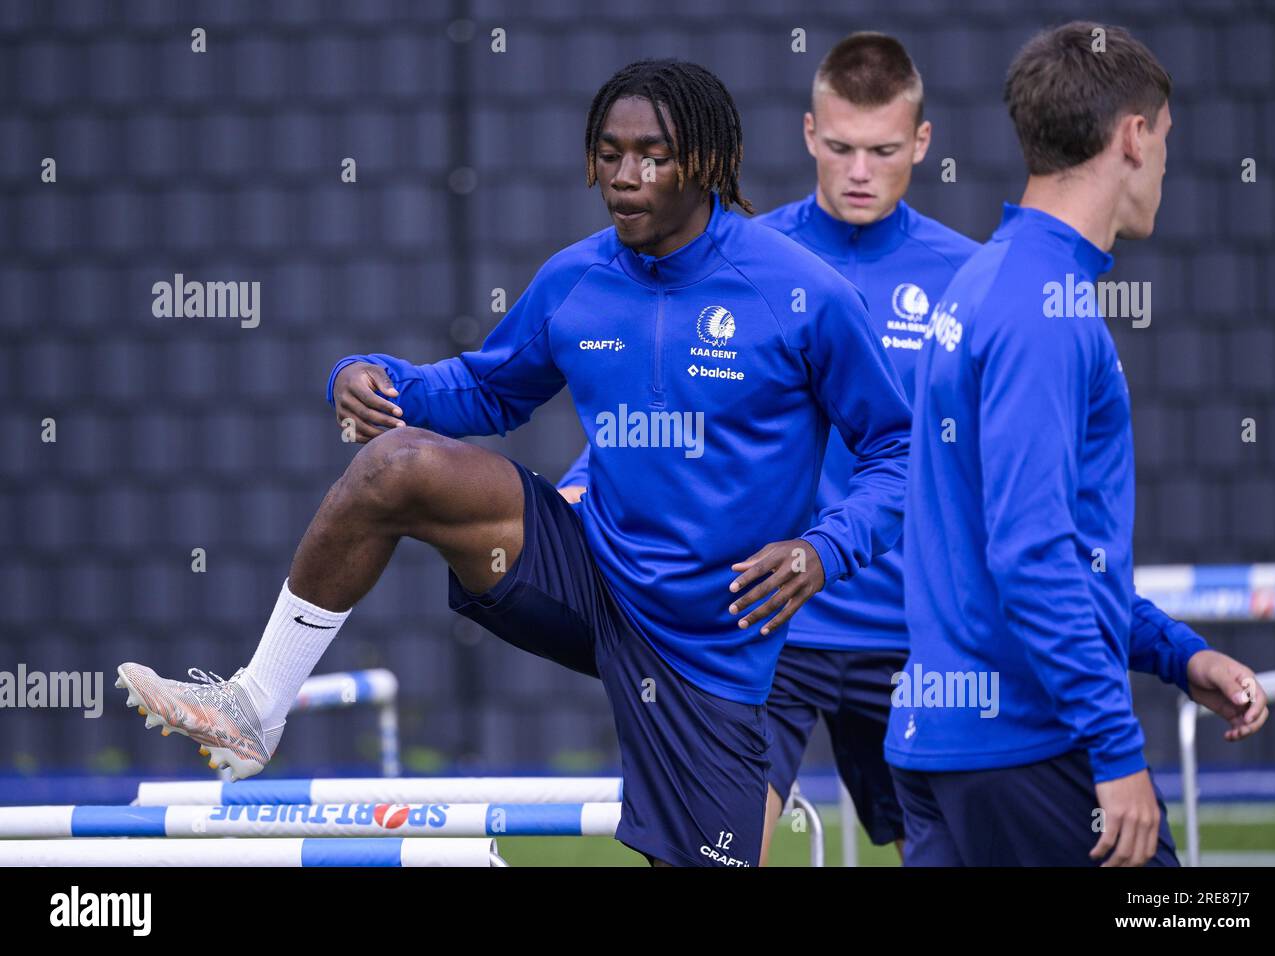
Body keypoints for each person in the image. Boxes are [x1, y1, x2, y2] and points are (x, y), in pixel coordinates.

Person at [115, 59, 913, 868]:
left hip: (714, 638)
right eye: (609, 153)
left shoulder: (801, 293)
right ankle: (257, 705)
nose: (624, 177)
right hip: (591, 574)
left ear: (708, 162)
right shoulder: (576, 278)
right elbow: (487, 390)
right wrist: (371, 378)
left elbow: (898, 449)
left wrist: (825, 548)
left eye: (653, 155)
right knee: (396, 465)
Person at [559, 32, 976, 864]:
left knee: (954, 857)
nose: (861, 170)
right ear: (810, 135)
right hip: (768, 621)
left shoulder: (966, 277)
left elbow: (960, 460)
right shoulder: (744, 255)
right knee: (710, 853)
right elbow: (657, 402)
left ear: (921, 145)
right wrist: (580, 480)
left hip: (915, 635)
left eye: (884, 150)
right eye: (843, 147)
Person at [884, 21, 1270, 867]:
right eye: (1165, 140)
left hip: (941, 747)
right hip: (1033, 747)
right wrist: (1115, 744)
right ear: (1134, 137)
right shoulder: (1044, 310)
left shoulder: (981, 281)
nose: (1164, 164)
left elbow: (1021, 553)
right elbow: (1032, 554)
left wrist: (1179, 655)